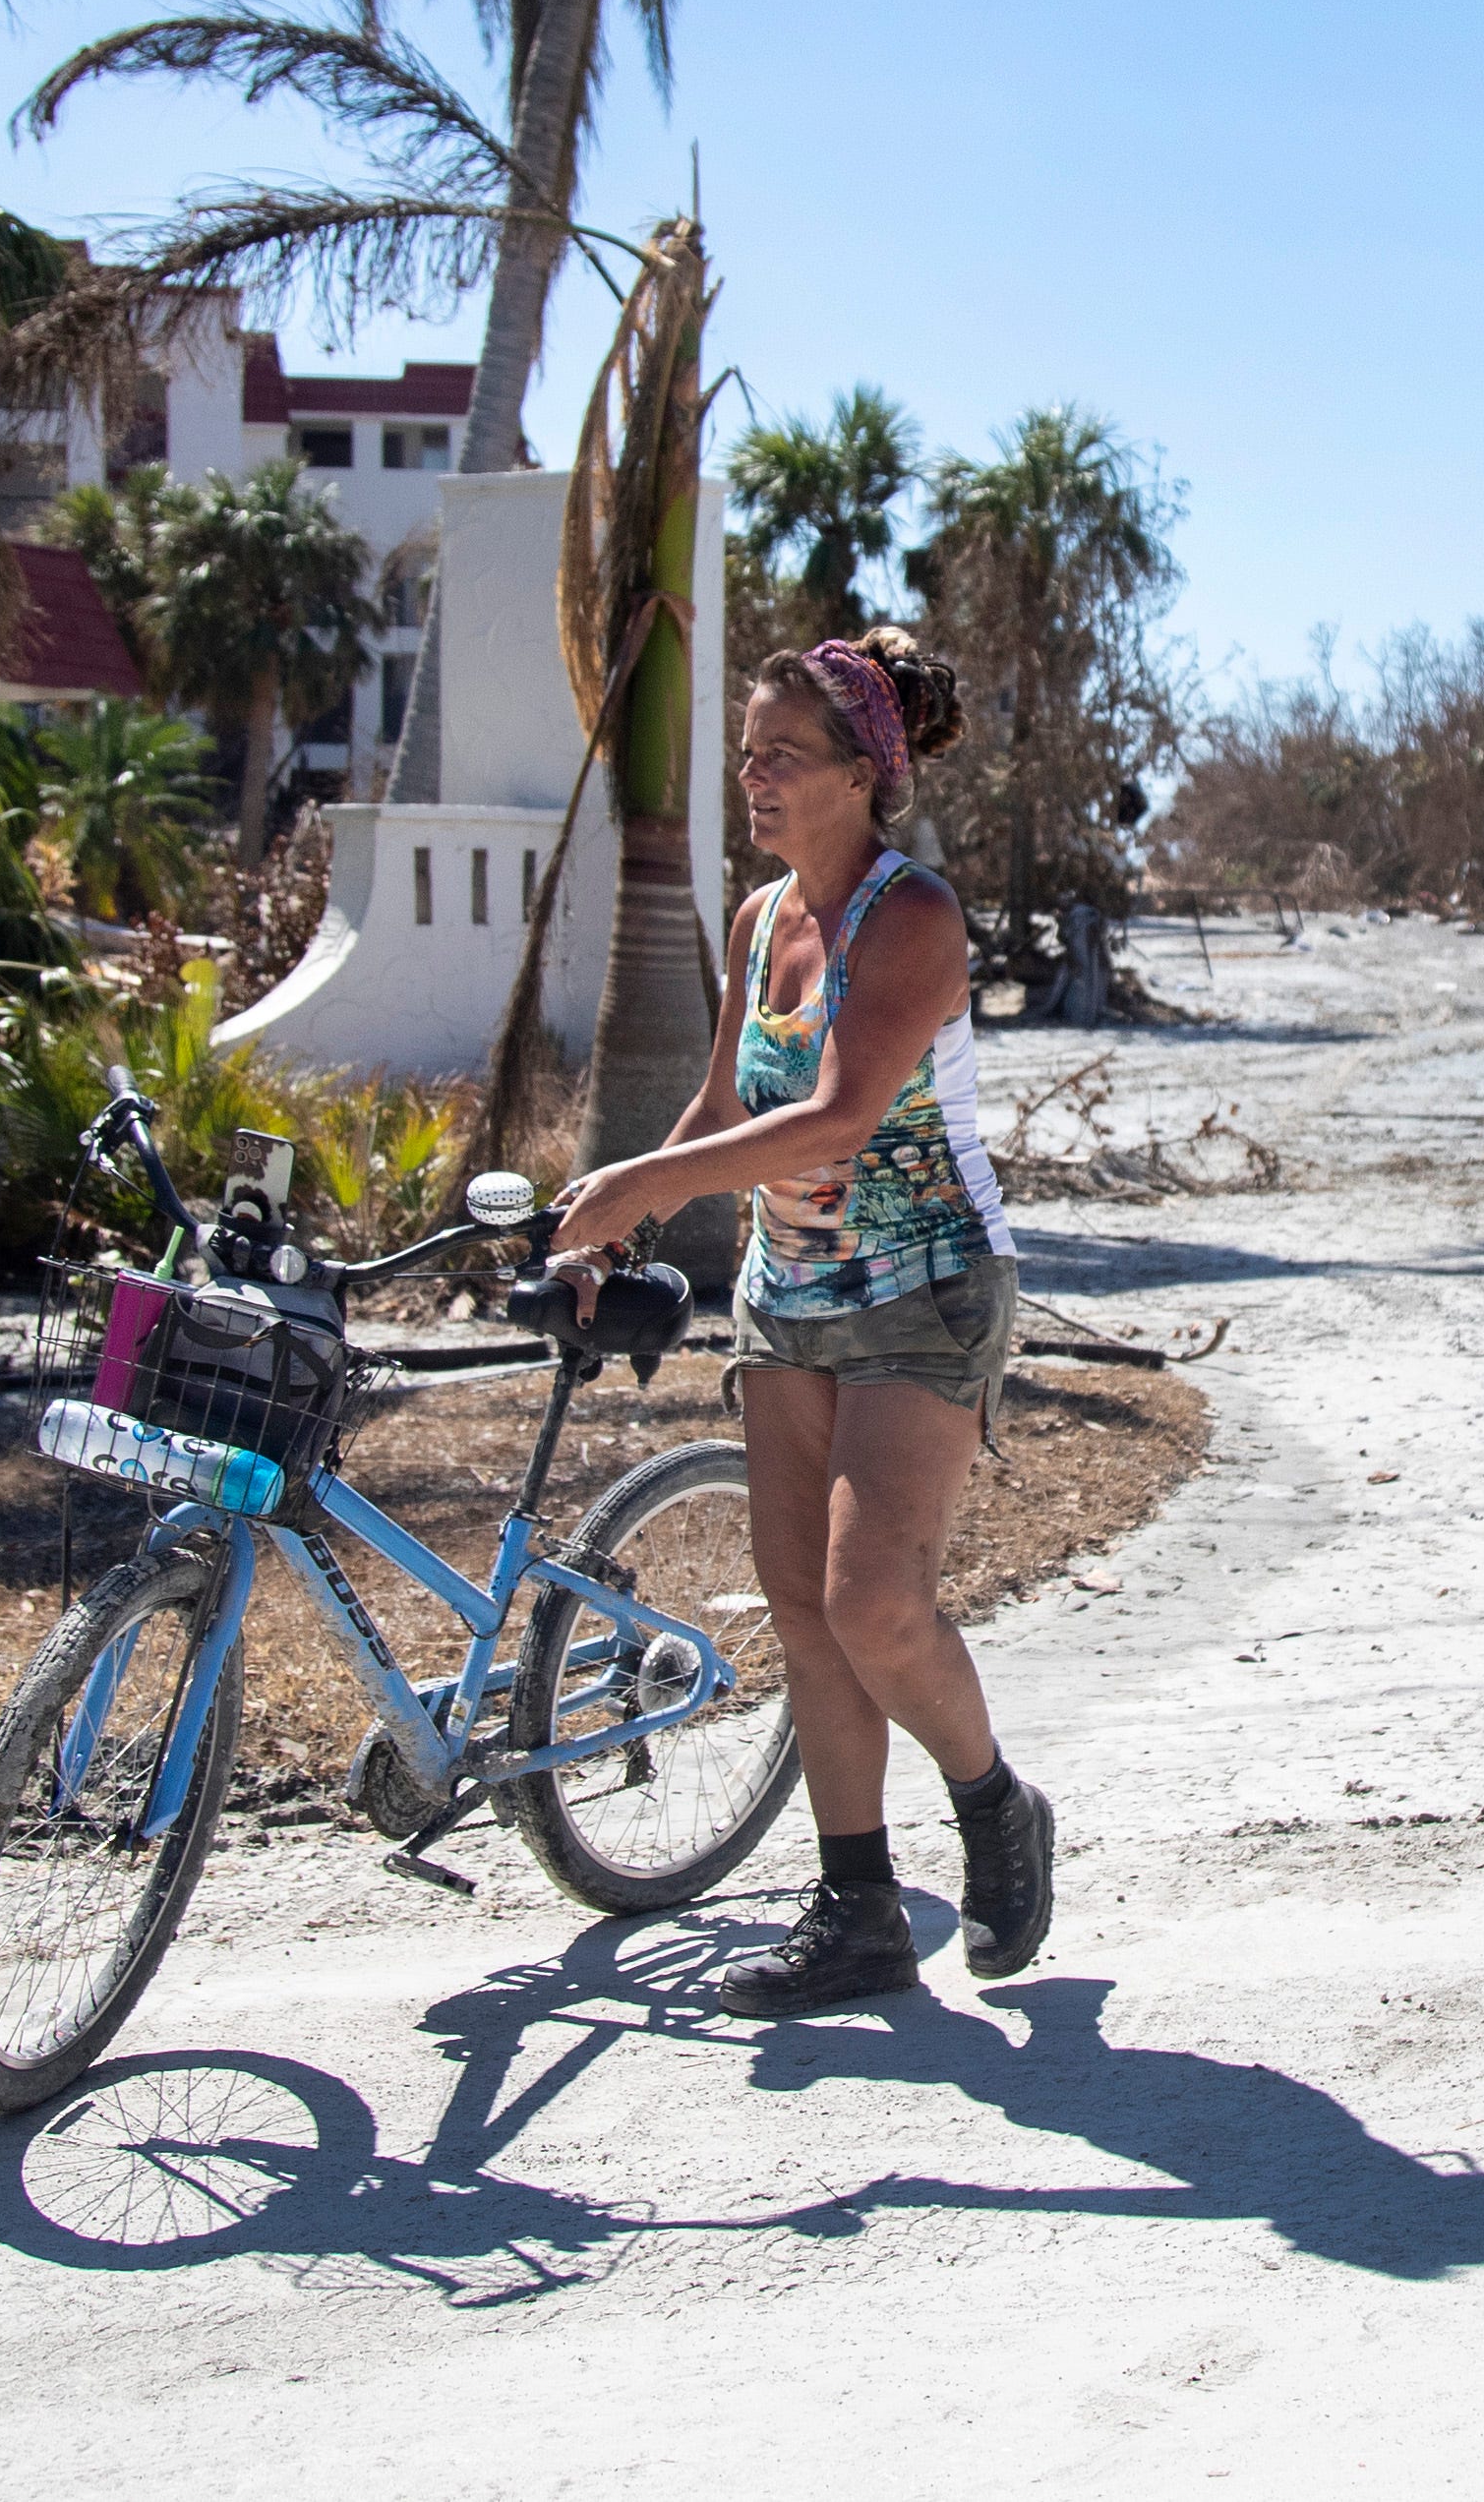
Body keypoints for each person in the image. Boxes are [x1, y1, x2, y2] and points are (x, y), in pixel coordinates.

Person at [544, 627, 1056, 2015]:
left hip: (924, 1285)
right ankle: (858, 1911)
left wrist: (643, 1183)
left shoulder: (913, 916)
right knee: (801, 1608)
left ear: (859, 773)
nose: (753, 777)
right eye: (746, 754)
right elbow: (727, 1105)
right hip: (787, 1290)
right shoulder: (761, 917)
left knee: (870, 1600)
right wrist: (615, 1225)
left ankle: (994, 1803)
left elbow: (836, 1116)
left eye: (781, 754)